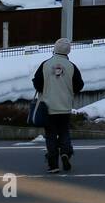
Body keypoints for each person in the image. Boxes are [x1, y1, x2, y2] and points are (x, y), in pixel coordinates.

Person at [32, 39, 85, 173]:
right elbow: (79, 85)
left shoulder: (45, 64)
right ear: (68, 51)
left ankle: (53, 164)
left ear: (55, 49)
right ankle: (66, 153)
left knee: (50, 135)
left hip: (48, 107)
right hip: (65, 106)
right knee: (64, 132)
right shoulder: (71, 66)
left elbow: (37, 83)